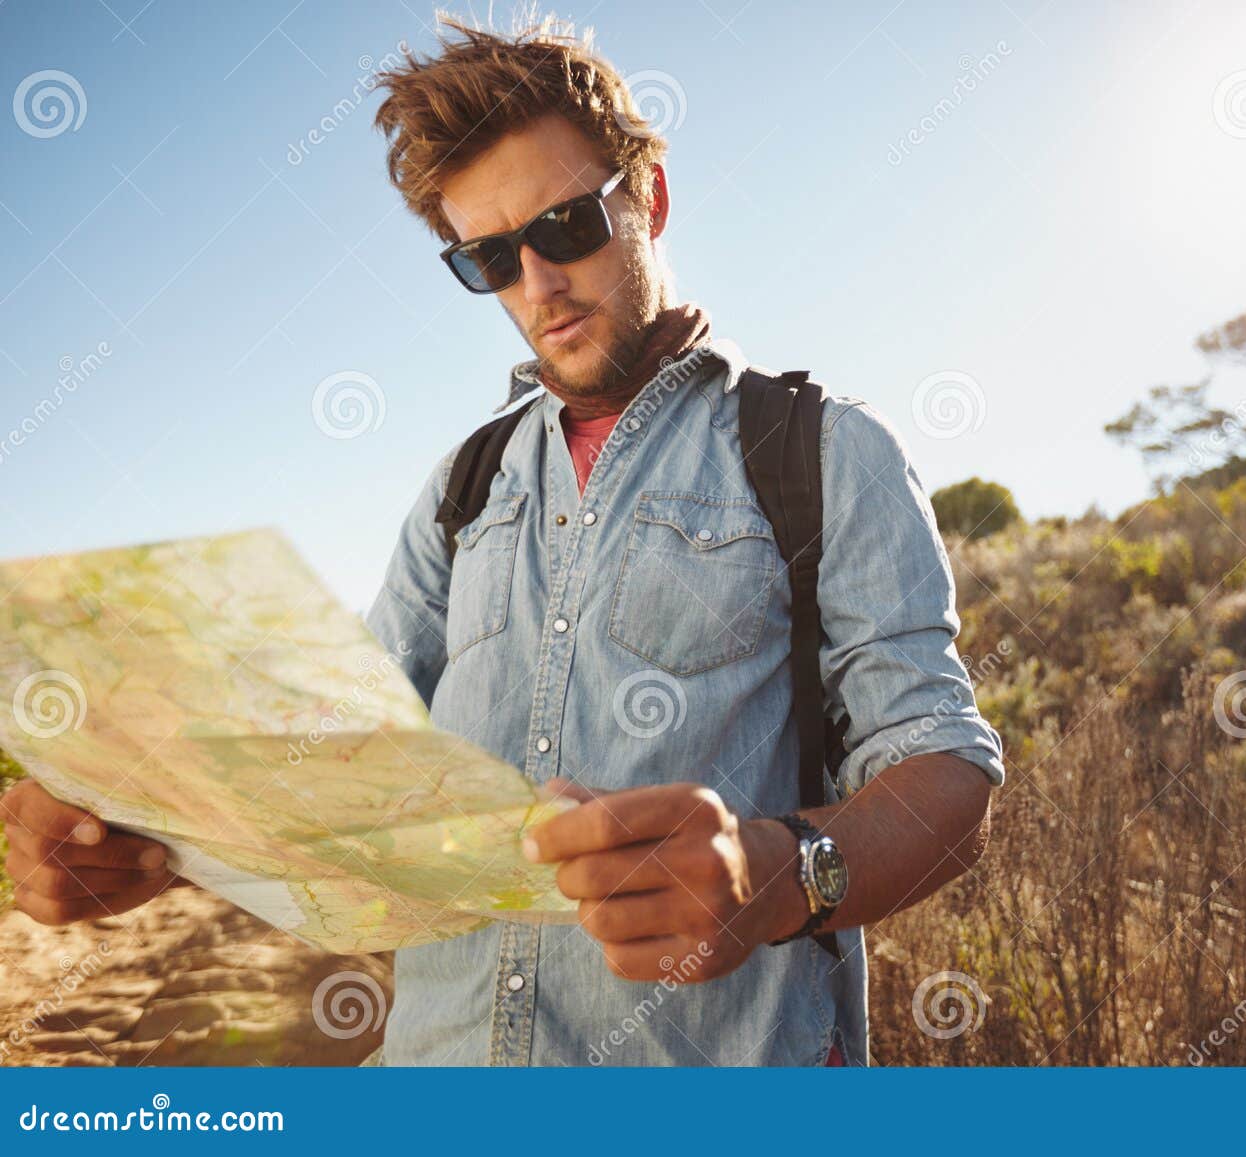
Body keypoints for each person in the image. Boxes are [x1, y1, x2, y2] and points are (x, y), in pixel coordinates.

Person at [1, 12, 1003, 1067]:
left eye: (566, 225)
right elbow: (344, 767)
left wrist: (780, 876)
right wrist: (139, 824)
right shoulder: (462, 489)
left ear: (649, 199)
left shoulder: (820, 450)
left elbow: (944, 774)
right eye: (488, 257)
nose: (536, 282)